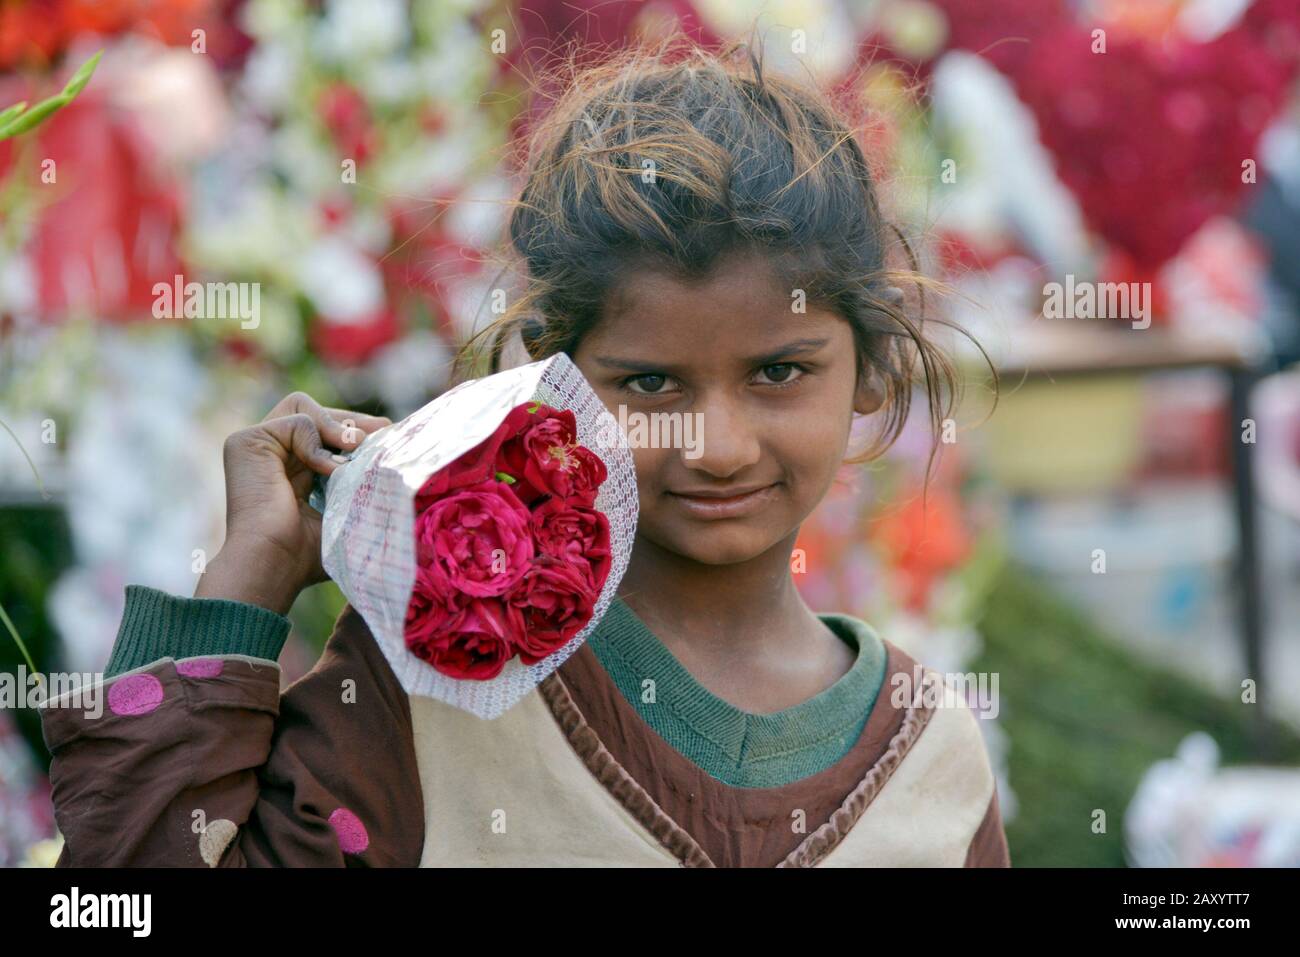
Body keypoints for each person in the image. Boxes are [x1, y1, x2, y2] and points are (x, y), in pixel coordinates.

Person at [39, 37, 1008, 867]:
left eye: (780, 373)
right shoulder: (433, 692)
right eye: (650, 383)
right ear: (552, 384)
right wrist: (240, 590)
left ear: (875, 371)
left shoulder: (934, 763)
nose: (716, 447)